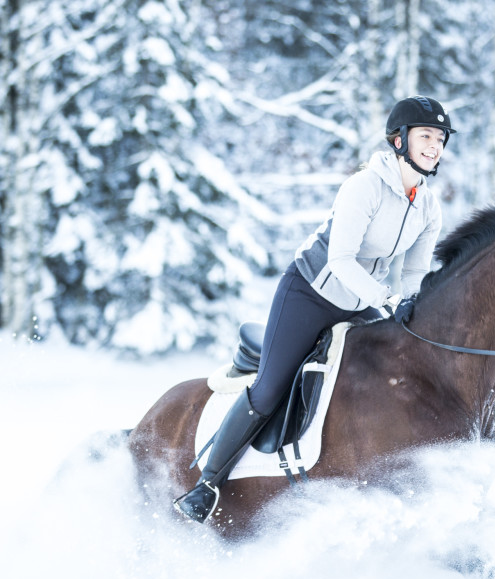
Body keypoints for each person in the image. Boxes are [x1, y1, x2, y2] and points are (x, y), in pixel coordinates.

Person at [174, 96, 457, 523]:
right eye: (425, 137)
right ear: (399, 140)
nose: (434, 146)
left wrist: (412, 303)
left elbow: (415, 270)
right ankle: (208, 484)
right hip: (309, 292)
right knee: (269, 388)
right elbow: (341, 261)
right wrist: (387, 299)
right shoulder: (364, 187)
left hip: (360, 302)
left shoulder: (428, 206)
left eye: (440, 139)